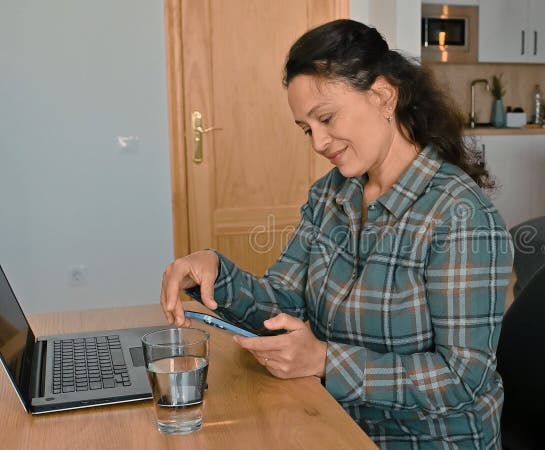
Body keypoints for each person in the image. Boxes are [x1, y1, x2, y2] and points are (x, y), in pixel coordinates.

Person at [160, 19, 513, 449]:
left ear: (383, 95)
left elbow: (462, 379)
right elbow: (284, 302)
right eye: (307, 129)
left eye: (326, 118)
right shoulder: (332, 194)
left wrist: (326, 360)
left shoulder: (460, 216)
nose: (318, 143)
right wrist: (216, 274)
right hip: (333, 421)